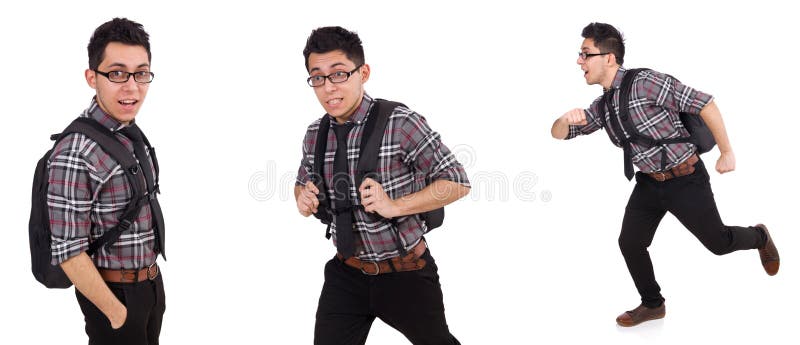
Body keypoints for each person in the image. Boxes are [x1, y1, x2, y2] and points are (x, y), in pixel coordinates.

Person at [550, 22, 780, 327]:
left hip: (686, 179)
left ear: (609, 57)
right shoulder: (603, 105)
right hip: (648, 184)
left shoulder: (645, 82)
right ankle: (653, 305)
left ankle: (759, 236)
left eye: (585, 53)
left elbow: (704, 103)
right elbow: (559, 134)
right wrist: (564, 119)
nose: (579, 61)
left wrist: (727, 151)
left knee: (719, 243)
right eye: (579, 54)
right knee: (629, 243)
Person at [294, 26, 470, 344]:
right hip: (346, 274)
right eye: (317, 77)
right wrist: (302, 198)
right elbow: (301, 183)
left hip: (406, 272)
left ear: (363, 72)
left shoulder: (400, 123)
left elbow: (457, 181)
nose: (327, 87)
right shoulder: (314, 134)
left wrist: (396, 205)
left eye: (338, 74)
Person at [48, 18, 165, 344]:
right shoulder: (74, 152)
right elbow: (68, 252)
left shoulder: (129, 133)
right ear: (92, 77)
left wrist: (153, 292)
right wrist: (116, 313)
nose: (132, 86)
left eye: (141, 73)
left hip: (149, 289)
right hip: (113, 297)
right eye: (116, 73)